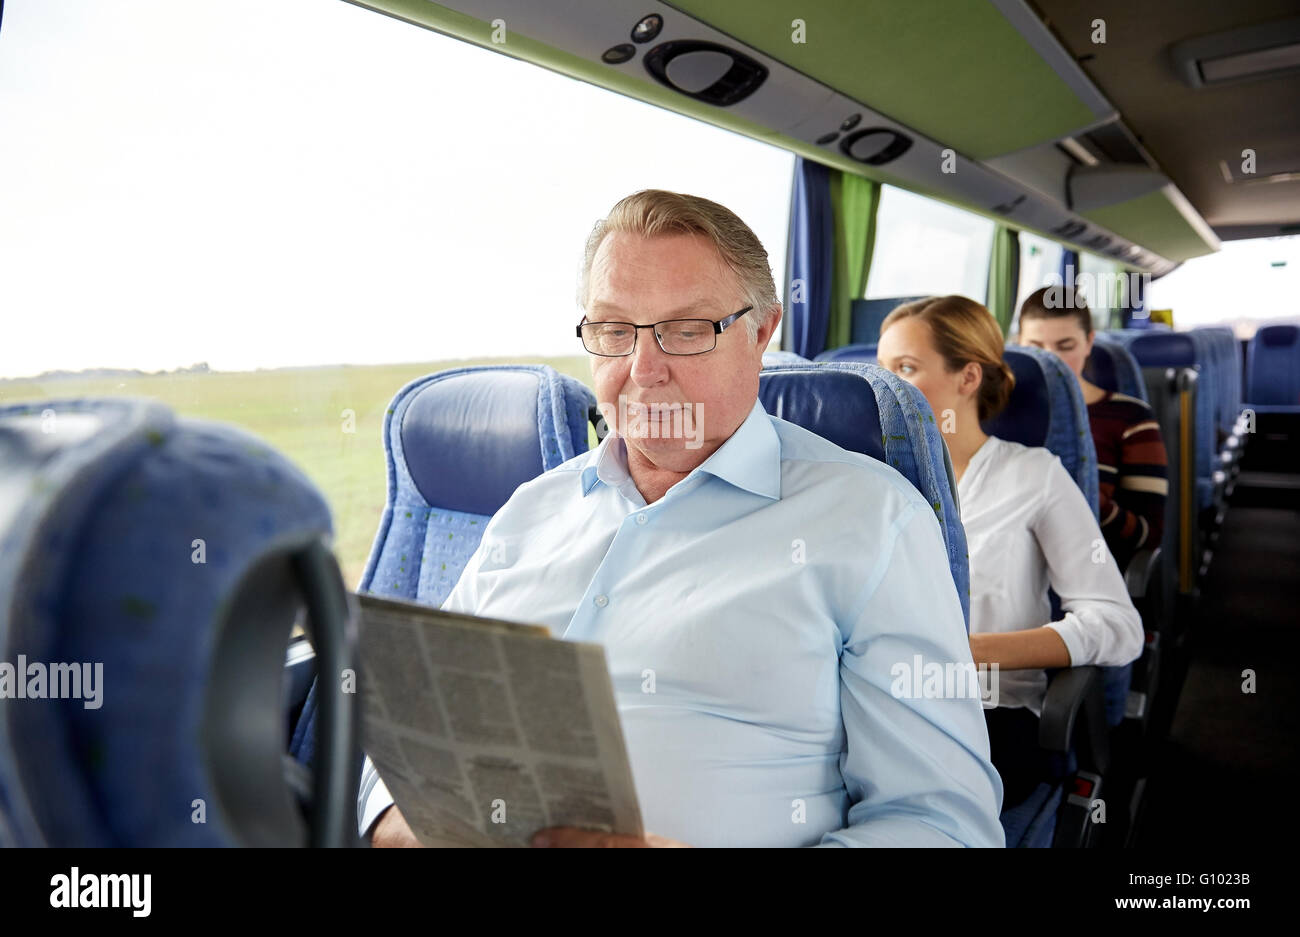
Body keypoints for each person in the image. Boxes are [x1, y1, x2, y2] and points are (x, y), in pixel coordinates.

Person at [362, 191, 1005, 847]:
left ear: (761, 332)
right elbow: (410, 729)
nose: (644, 371)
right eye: (614, 330)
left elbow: (945, 824)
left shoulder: (871, 518)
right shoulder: (528, 512)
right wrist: (400, 827)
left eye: (688, 330)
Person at [876, 295, 1143, 807]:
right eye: (881, 371)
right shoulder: (864, 481)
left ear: (968, 378)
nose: (886, 389)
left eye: (906, 369)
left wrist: (969, 652)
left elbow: (1116, 624)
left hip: (988, 710)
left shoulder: (1033, 475)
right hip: (875, 703)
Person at [1015, 286, 1168, 572]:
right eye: (1035, 348)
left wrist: (1082, 494)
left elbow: (1149, 533)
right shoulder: (998, 415)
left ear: (1089, 343)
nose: (1052, 363)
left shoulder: (1132, 418)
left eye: (1065, 346)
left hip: (1089, 568)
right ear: (1018, 345)